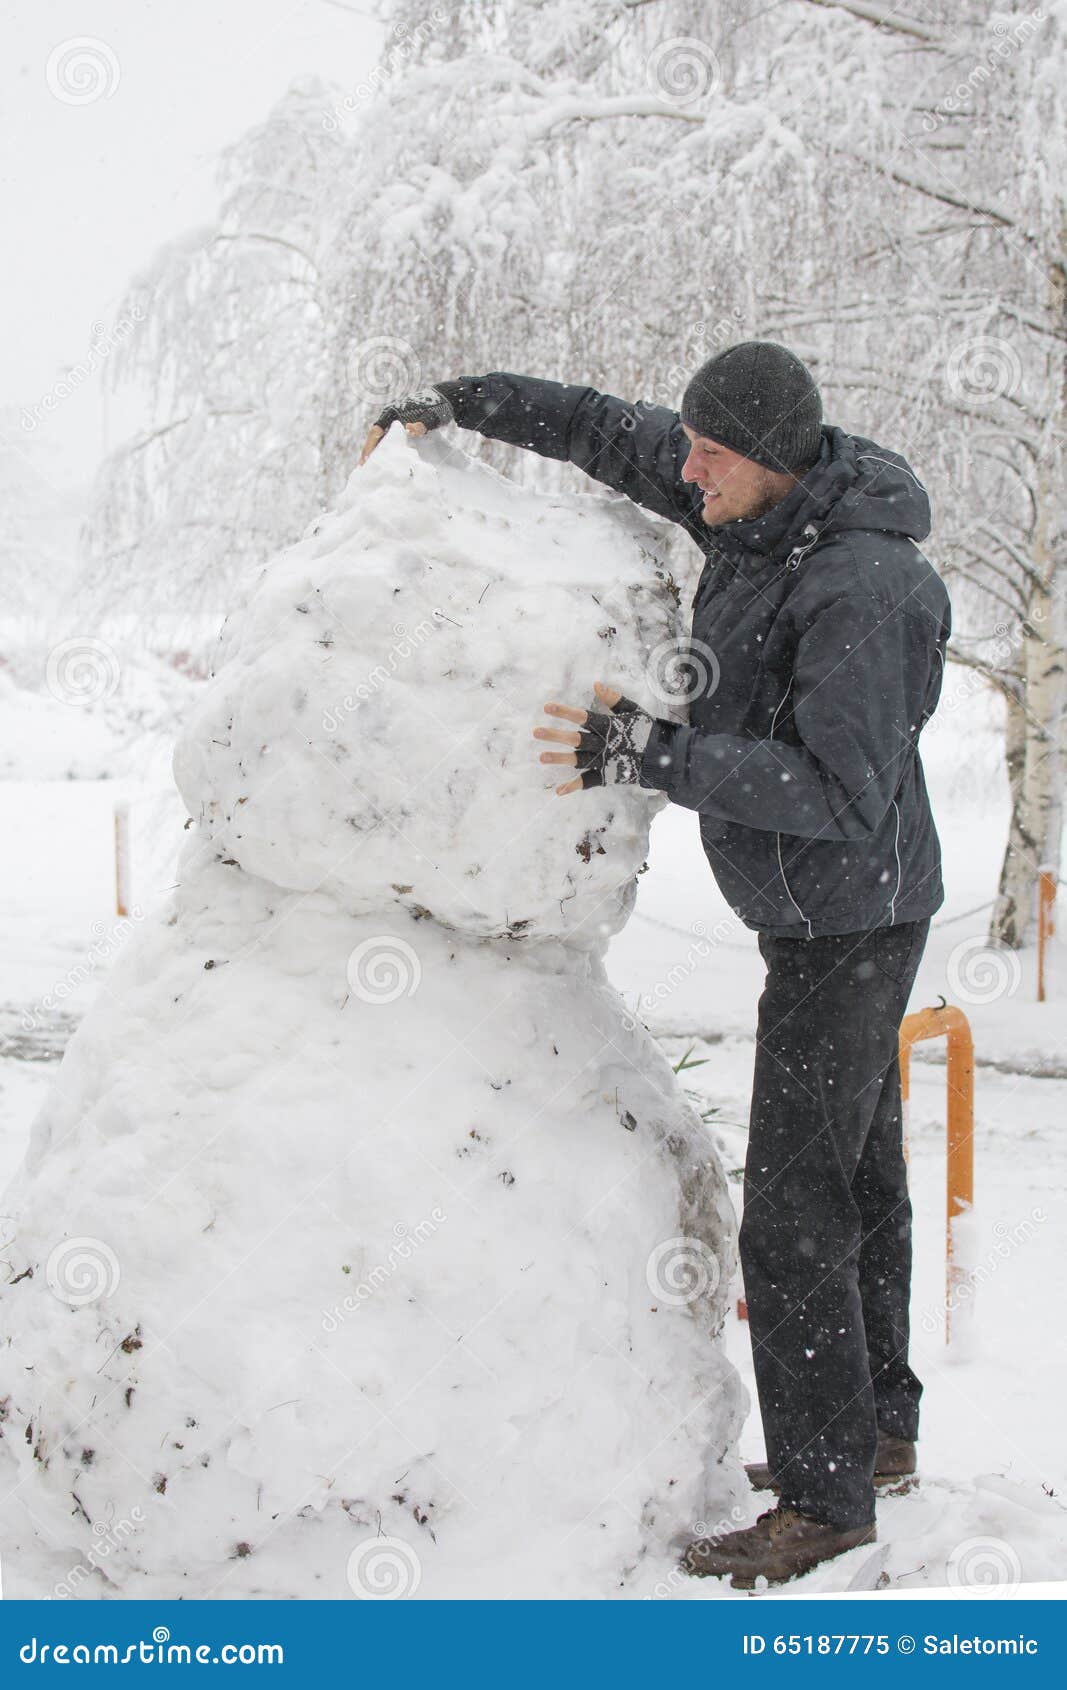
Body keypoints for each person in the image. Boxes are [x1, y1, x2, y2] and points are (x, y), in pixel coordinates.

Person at [359, 342, 951, 1587]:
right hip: (820, 911)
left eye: (710, 456)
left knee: (793, 1210)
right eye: (692, 448)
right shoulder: (752, 498)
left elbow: (840, 793)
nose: (687, 473)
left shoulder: (859, 586)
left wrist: (648, 752)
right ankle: (877, 1425)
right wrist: (464, 402)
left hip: (849, 920)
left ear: (774, 463)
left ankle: (824, 1495)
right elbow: (607, 430)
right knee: (857, 1173)